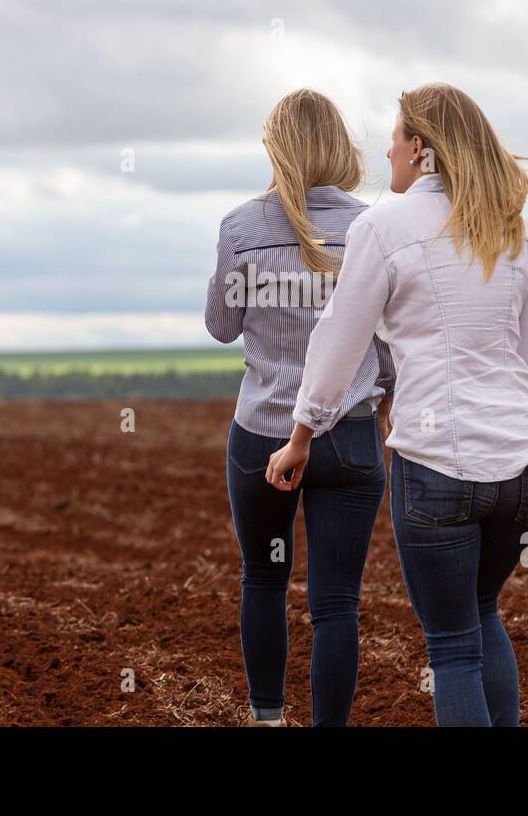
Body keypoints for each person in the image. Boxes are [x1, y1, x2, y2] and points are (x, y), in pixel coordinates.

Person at [266, 82, 528, 727]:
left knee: (452, 647)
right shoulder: (514, 232)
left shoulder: (382, 228)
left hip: (437, 466)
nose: (389, 151)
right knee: (483, 614)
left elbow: (339, 338)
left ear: (421, 148)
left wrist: (303, 434)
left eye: (397, 138)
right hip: (525, 463)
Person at [205, 88, 394, 726]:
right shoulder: (370, 225)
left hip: (261, 429)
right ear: (338, 146)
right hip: (350, 433)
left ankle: (267, 718)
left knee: (262, 576)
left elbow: (221, 326)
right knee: (337, 601)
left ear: (276, 148)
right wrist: (386, 394)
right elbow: (386, 335)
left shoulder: (240, 226)